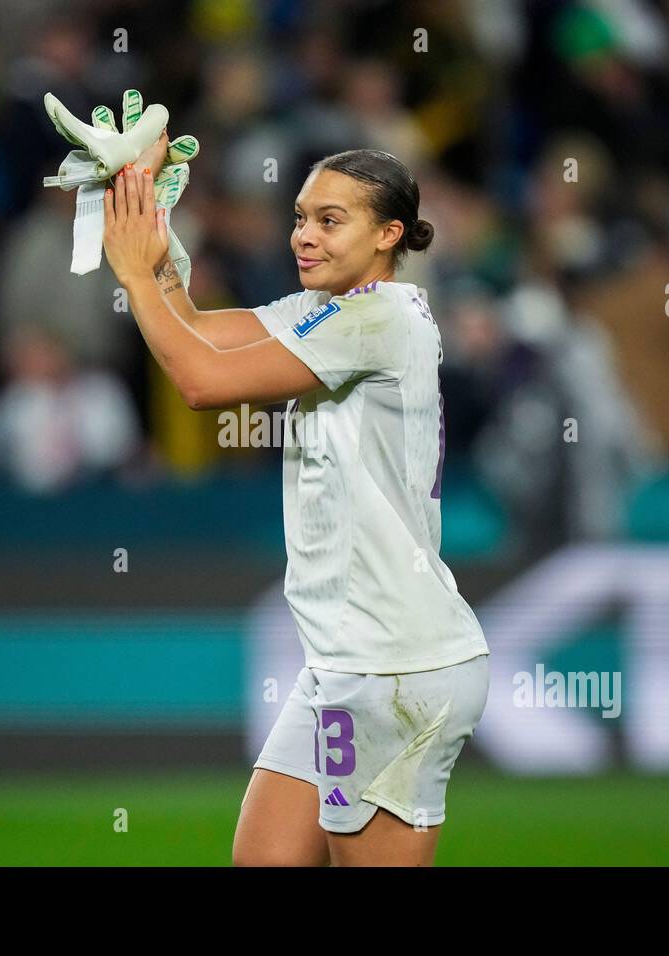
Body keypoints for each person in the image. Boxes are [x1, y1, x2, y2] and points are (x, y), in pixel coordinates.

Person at [101, 143, 489, 867]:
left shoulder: (377, 320)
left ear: (388, 235)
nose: (305, 234)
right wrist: (153, 234)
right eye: (301, 216)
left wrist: (130, 274)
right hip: (346, 662)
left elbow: (202, 383)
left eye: (331, 220)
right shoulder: (327, 310)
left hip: (393, 664)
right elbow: (199, 331)